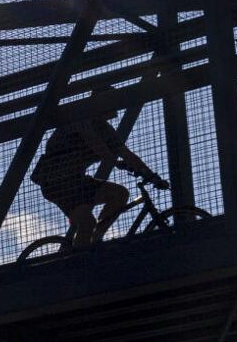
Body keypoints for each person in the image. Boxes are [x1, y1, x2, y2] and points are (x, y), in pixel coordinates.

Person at [31, 91, 168, 246]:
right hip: (56, 182)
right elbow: (93, 142)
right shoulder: (81, 118)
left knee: (119, 194)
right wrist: (115, 161)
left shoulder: (105, 129)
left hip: (77, 180)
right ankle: (77, 262)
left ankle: (96, 239)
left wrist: (151, 176)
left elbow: (127, 155)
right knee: (87, 222)